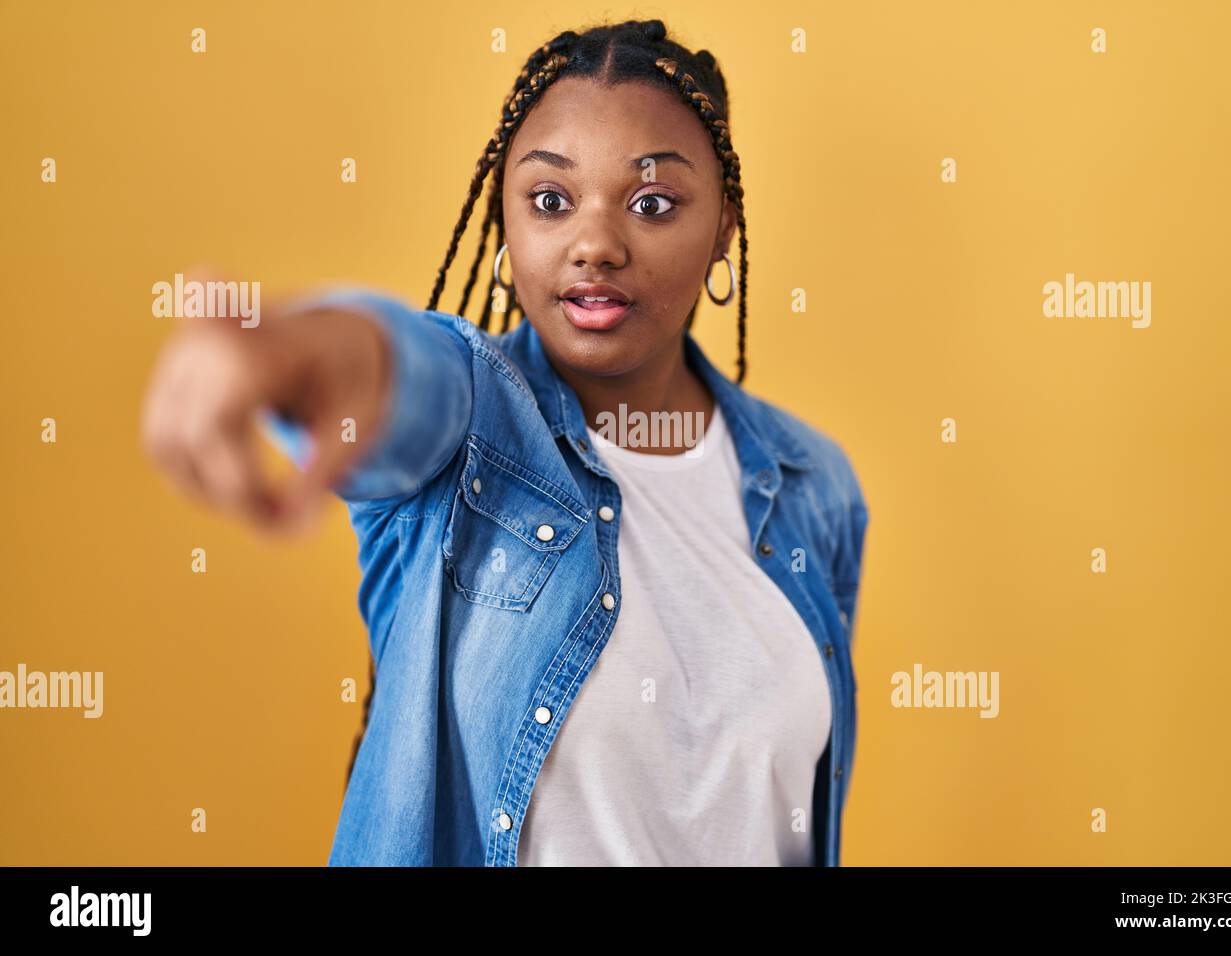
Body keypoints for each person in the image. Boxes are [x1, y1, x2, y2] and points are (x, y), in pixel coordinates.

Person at [141, 18, 870, 866]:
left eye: (653, 203)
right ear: (504, 221)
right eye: (551, 201)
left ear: (723, 229)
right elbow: (395, 369)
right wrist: (297, 356)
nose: (594, 244)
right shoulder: (471, 420)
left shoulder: (814, 483)